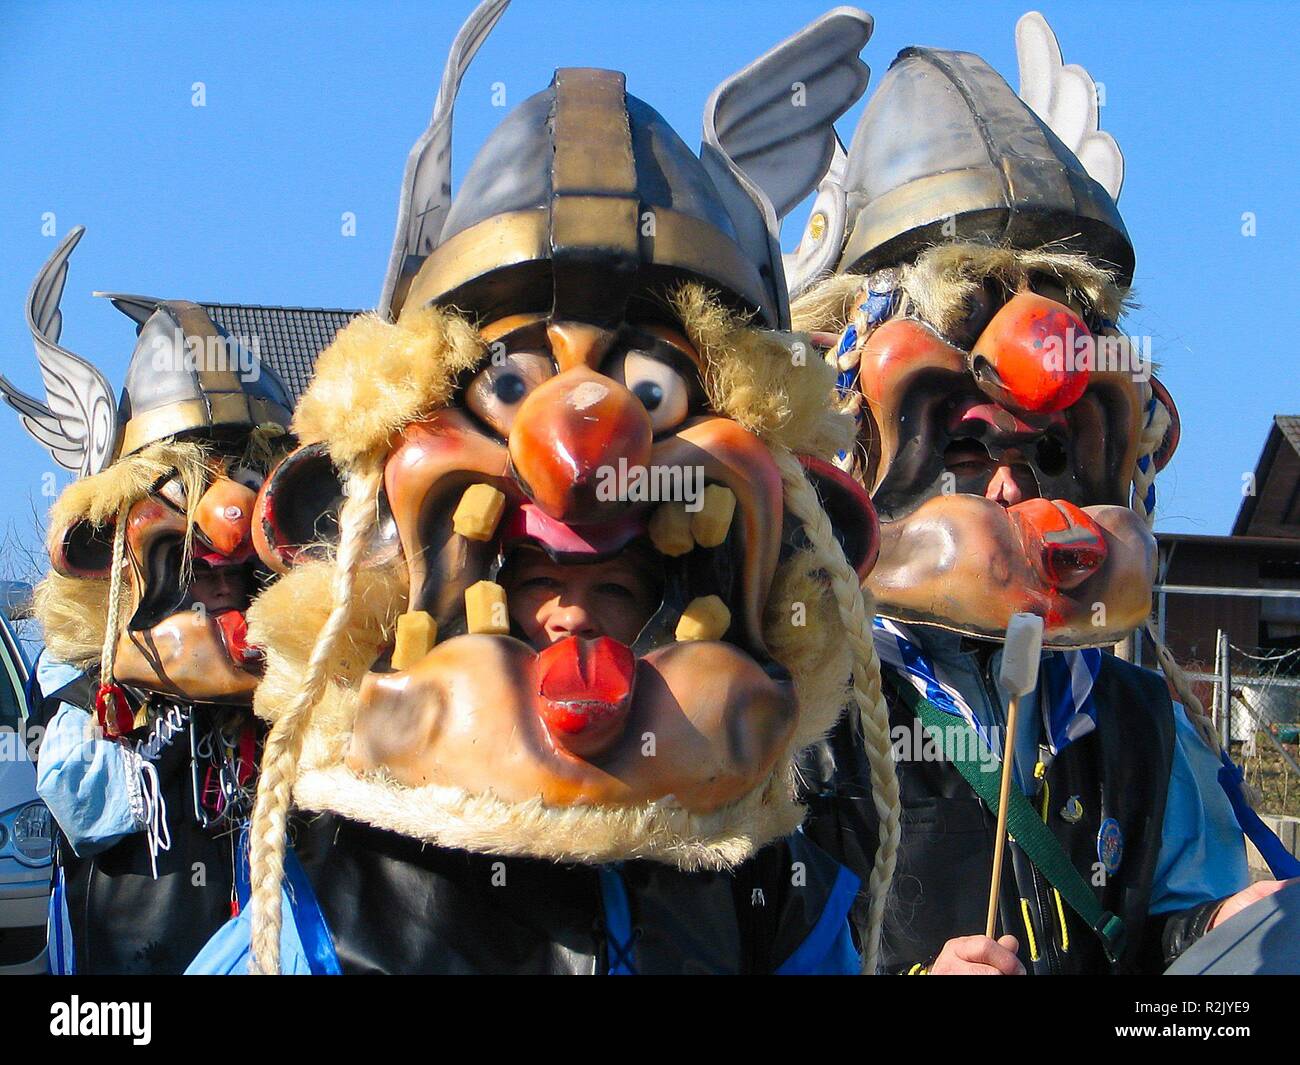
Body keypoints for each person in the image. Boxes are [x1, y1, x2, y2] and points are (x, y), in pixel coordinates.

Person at [188, 1, 892, 975]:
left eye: (614, 592)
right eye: (508, 382)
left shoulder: (772, 896)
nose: (577, 448)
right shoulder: (331, 904)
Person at [786, 12, 1296, 974]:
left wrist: (1240, 931)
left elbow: (1180, 954)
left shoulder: (1138, 722)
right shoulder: (795, 715)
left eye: (1049, 453)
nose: (1016, 487)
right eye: (973, 456)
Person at [2, 228, 294, 973]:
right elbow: (85, 810)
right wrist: (164, 681)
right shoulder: (84, 676)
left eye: (236, 569)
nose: (220, 579)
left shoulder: (297, 676)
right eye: (195, 566)